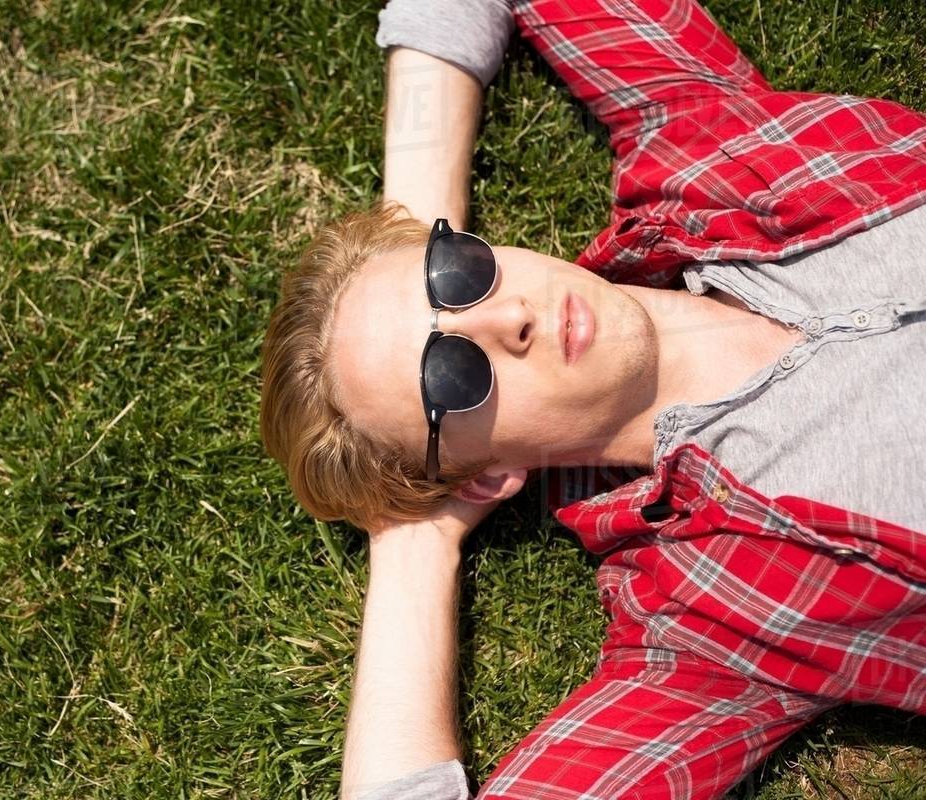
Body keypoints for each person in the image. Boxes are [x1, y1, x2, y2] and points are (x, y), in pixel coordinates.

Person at [259, 1, 926, 798]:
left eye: (459, 274)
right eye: (449, 376)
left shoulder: (701, 151)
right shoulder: (713, 620)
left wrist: (411, 230)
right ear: (484, 478)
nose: (507, 318)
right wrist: (414, 543)